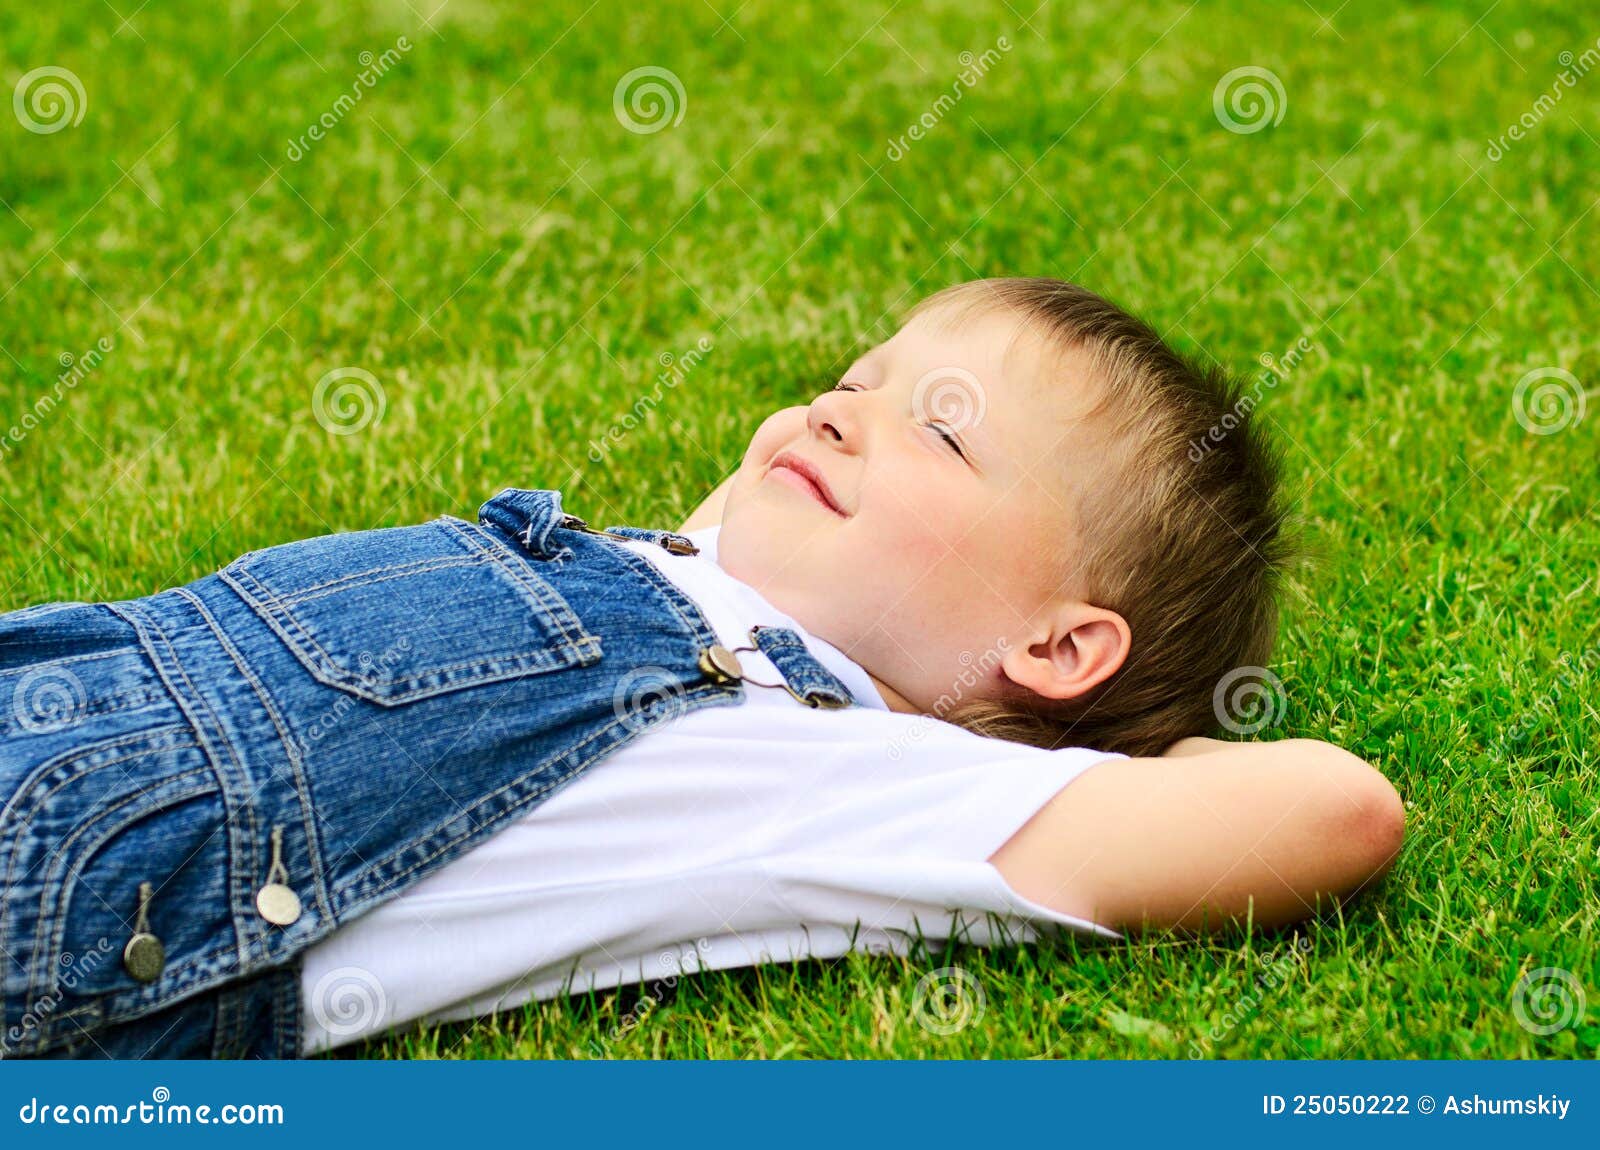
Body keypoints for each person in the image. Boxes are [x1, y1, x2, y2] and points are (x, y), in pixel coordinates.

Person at [0, 278, 1402, 1059]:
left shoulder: (848, 776)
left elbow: (1340, 810)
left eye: (948, 433)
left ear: (1055, 647)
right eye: (858, 380)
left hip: (81, 894)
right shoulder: (686, 561)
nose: (841, 416)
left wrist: (1148, 753)